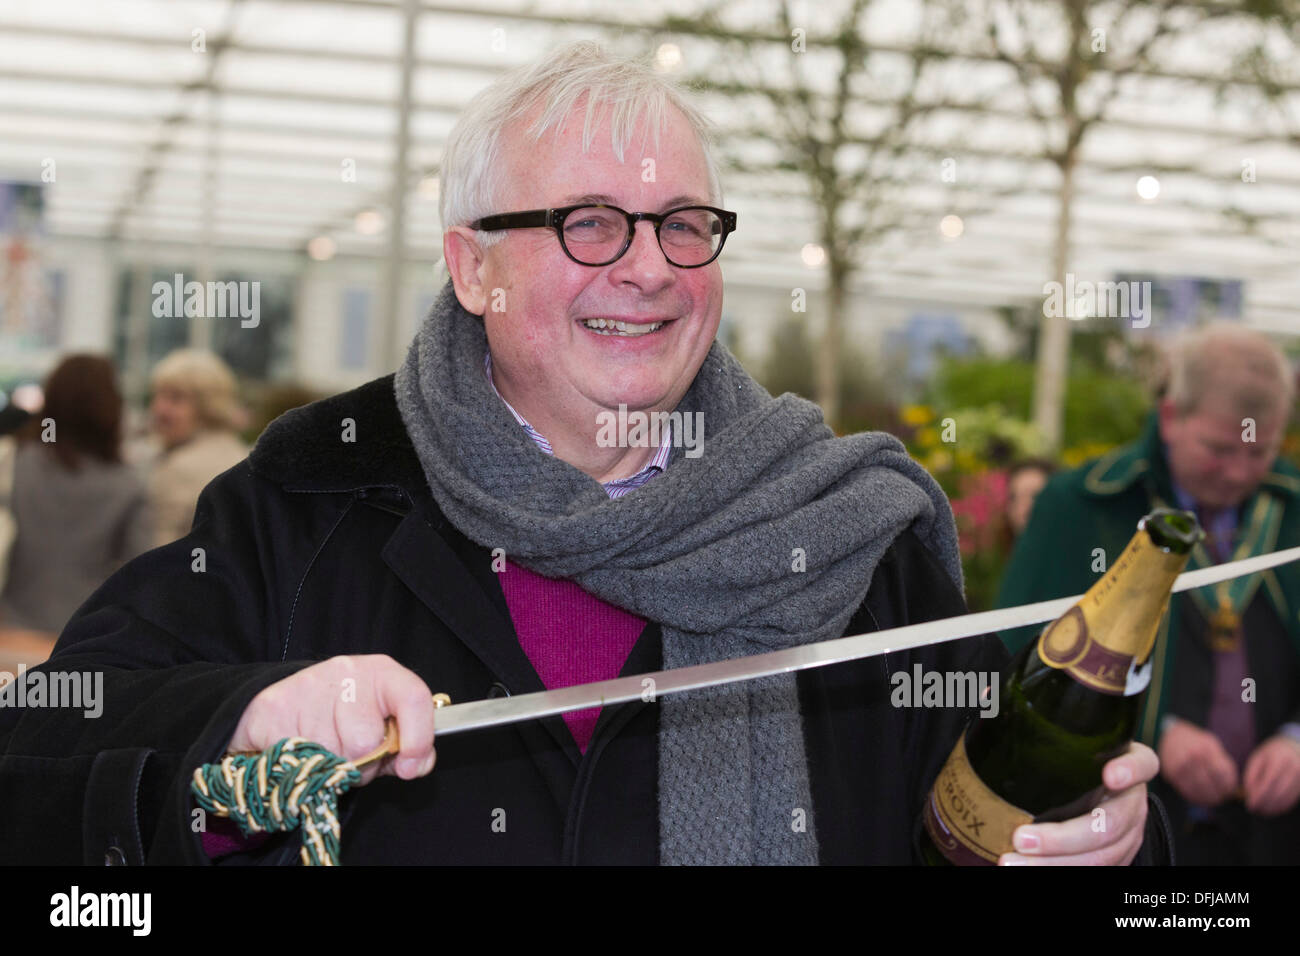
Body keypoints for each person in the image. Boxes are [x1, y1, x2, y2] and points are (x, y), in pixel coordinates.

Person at [0, 42, 1164, 866]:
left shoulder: (842, 537)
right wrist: (246, 722)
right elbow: (40, 745)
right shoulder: (304, 505)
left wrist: (1103, 842)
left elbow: (981, 812)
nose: (650, 266)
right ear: (472, 267)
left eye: (684, 225)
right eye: (588, 222)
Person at [997, 323, 1300, 864]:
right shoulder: (1081, 505)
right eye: (1218, 448)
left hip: (1277, 835)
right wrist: (1155, 731)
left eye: (1260, 453)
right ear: (1169, 418)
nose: (1238, 472)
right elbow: (1018, 652)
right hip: (1123, 830)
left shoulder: (1293, 507)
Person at [0, 356, 153, 636]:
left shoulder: (13, 462)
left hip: (8, 626)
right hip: (81, 637)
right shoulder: (128, 485)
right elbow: (139, 574)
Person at [145, 349, 249, 548]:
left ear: (209, 407)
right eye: (157, 396)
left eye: (175, 398)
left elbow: (158, 555)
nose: (159, 409)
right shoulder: (243, 456)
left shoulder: (178, 469)